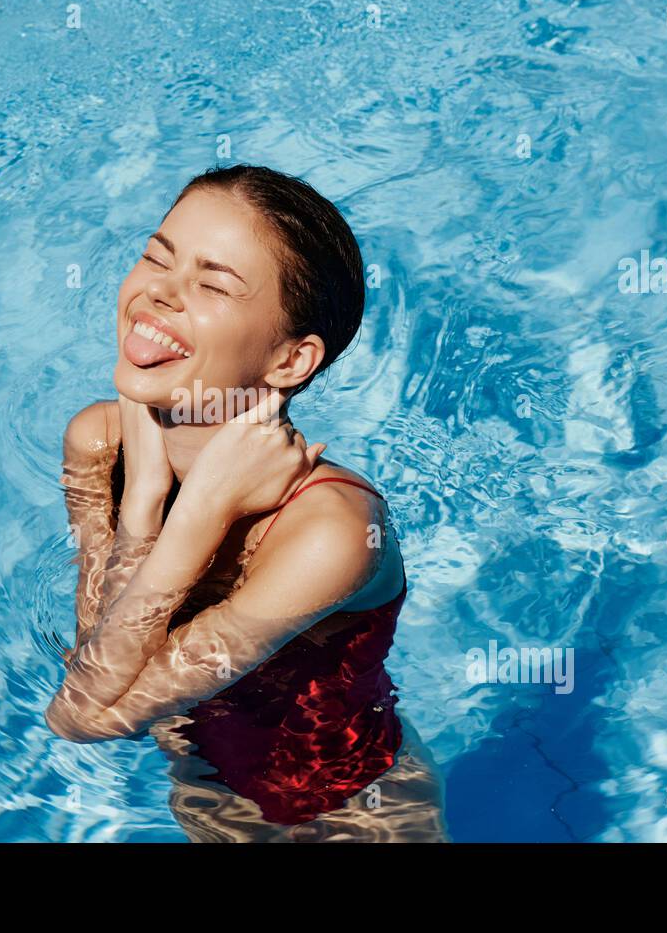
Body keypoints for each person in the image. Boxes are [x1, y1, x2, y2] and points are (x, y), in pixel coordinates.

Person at [46, 164, 446, 841]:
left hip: (348, 812)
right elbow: (92, 660)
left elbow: (87, 715)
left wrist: (199, 512)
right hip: (204, 789)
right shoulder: (100, 442)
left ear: (291, 361)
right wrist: (144, 499)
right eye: (156, 257)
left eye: (210, 284)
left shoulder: (330, 528)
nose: (158, 294)